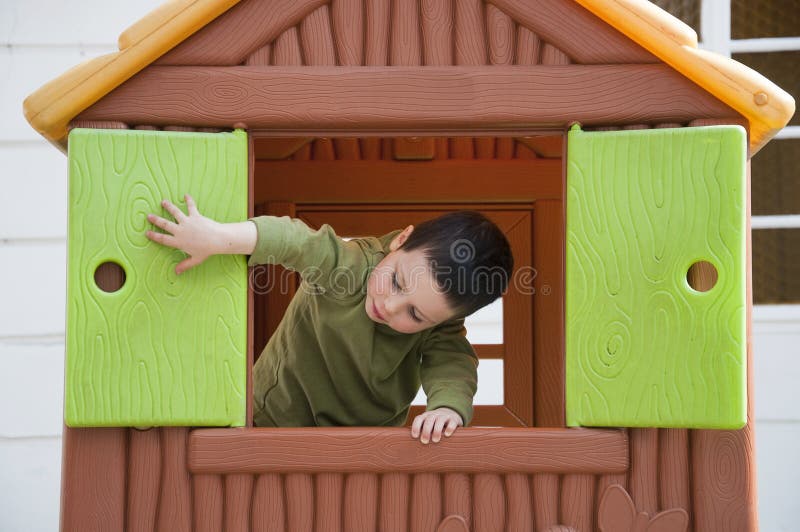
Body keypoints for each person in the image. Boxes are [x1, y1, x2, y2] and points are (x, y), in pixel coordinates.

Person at [146, 195, 514, 444]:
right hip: (275, 414)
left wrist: (447, 407)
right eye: (396, 281)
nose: (390, 305)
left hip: (362, 440)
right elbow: (295, 241)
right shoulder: (348, 267)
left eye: (414, 314)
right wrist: (217, 237)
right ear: (400, 240)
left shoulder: (439, 327)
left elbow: (453, 364)